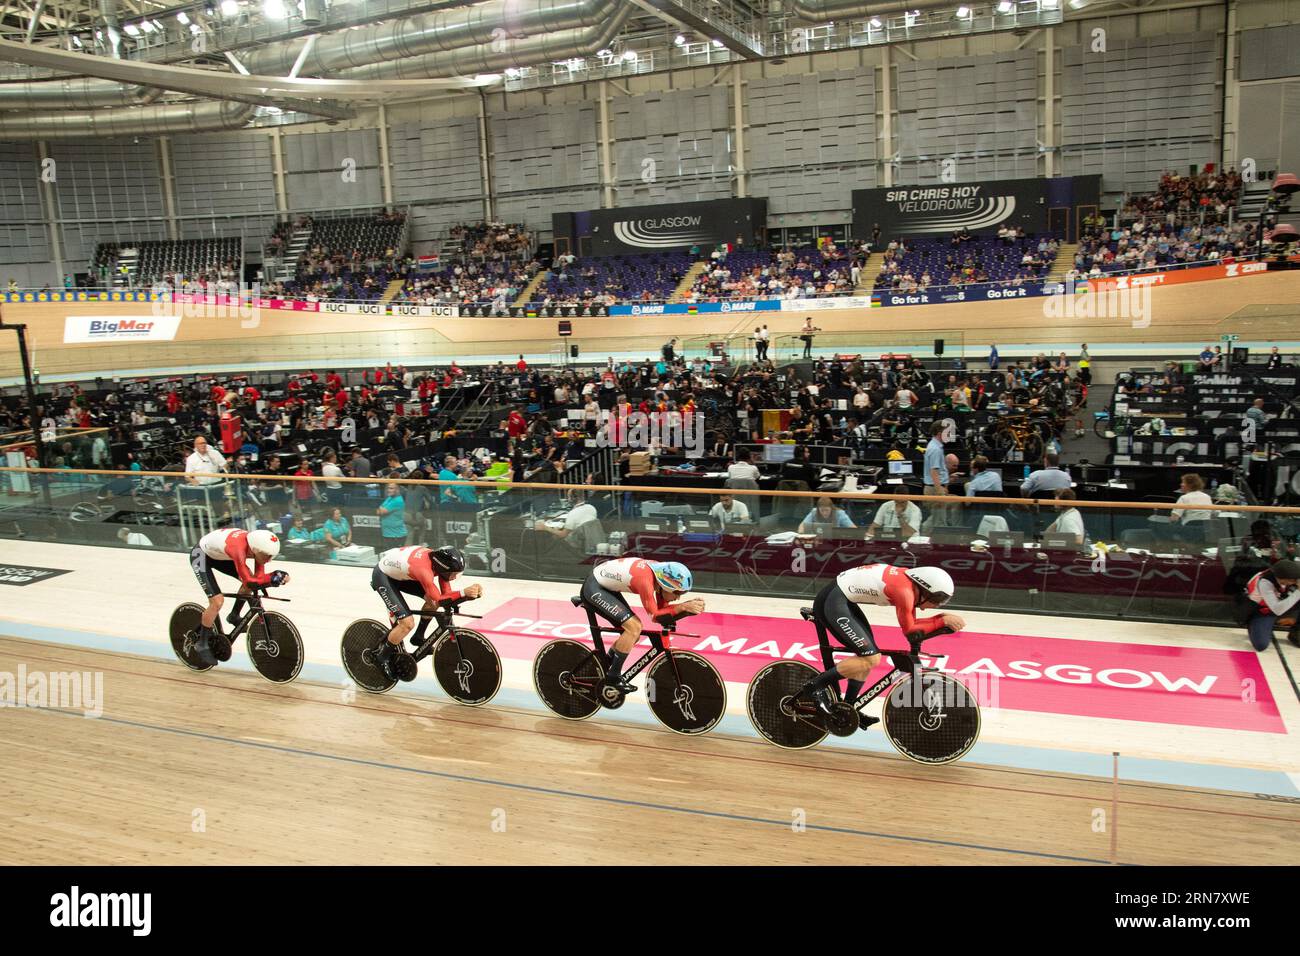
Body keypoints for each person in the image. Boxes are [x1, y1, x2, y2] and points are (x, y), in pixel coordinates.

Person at [792, 565, 965, 728]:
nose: (931, 608)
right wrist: (941, 620)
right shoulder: (904, 591)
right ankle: (814, 686)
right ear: (926, 590)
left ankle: (848, 707)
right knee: (870, 657)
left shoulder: (909, 585)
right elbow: (911, 631)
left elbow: (914, 624)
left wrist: (941, 618)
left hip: (841, 599)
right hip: (833, 602)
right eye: (937, 601)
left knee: (867, 653)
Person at [577, 558, 704, 693]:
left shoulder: (660, 576)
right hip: (594, 588)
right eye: (678, 592)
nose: (678, 598)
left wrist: (686, 610)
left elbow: (664, 613)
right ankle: (613, 677)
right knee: (634, 628)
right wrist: (683, 607)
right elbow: (655, 616)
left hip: (607, 587)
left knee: (633, 635)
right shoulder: (645, 580)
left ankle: (605, 664)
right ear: (666, 585)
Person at [369, 545, 482, 681]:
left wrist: (467, 596)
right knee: (407, 624)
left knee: (432, 603)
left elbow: (447, 595)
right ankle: (381, 658)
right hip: (384, 577)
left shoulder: (440, 565)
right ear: (443, 567)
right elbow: (439, 599)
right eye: (452, 574)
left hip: (403, 575)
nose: (453, 578)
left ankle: (418, 636)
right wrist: (463, 592)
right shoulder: (424, 569)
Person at [188, 528, 287, 666]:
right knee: (217, 602)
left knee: (250, 583)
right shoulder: (238, 548)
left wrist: (274, 578)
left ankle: (234, 615)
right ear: (255, 550)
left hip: (220, 556)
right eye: (267, 556)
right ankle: (202, 643)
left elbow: (258, 578)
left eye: (272, 556)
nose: (269, 560)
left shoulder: (256, 547)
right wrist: (272, 578)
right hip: (201, 556)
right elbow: (251, 582)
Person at [1240, 559, 1300, 651]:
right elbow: (1277, 609)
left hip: (1283, 602)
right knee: (1261, 645)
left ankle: (1296, 632)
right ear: (1282, 579)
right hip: (1263, 610)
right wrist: (1298, 591)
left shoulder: (1292, 574)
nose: (1295, 582)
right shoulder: (1264, 582)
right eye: (1293, 581)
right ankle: (1254, 624)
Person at [377, 481, 407, 550]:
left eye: (391, 488)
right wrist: (381, 509)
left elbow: (382, 511)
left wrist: (381, 509)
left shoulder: (397, 501)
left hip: (396, 536)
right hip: (388, 534)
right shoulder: (390, 498)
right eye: (388, 488)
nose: (388, 490)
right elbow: (378, 511)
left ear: (397, 490)